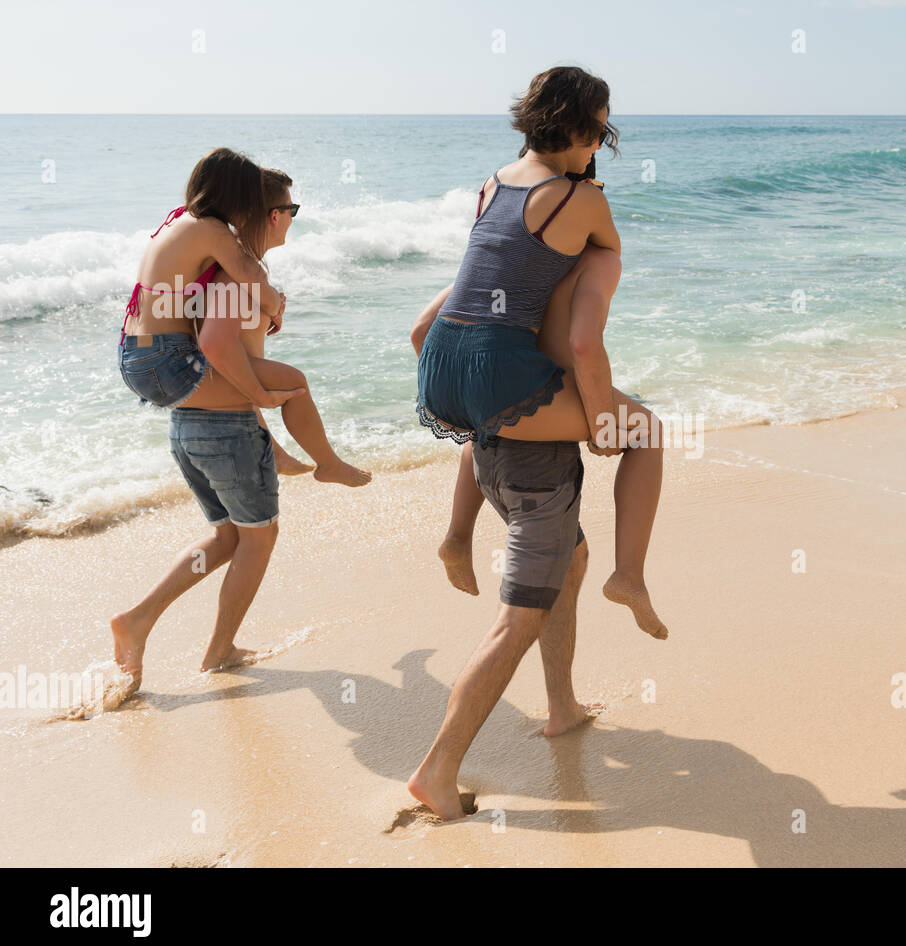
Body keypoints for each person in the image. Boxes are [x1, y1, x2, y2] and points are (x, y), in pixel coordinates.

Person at [407, 66, 665, 821]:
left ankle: (561, 702)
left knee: (565, 561)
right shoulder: (582, 202)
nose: (602, 148)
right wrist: (601, 419)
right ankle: (438, 766)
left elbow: (444, 307)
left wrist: (454, 371)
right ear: (583, 128)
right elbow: (584, 342)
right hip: (500, 378)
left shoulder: (493, 184)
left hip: (446, 361)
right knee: (643, 431)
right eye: (603, 132)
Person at [111, 156, 367, 693]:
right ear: (266, 211)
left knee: (227, 536)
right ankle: (326, 463)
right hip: (194, 401)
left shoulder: (194, 237)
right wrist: (269, 315)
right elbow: (216, 344)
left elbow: (217, 347)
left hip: (165, 386)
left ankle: (141, 621)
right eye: (291, 208)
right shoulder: (225, 257)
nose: (294, 217)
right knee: (289, 390)